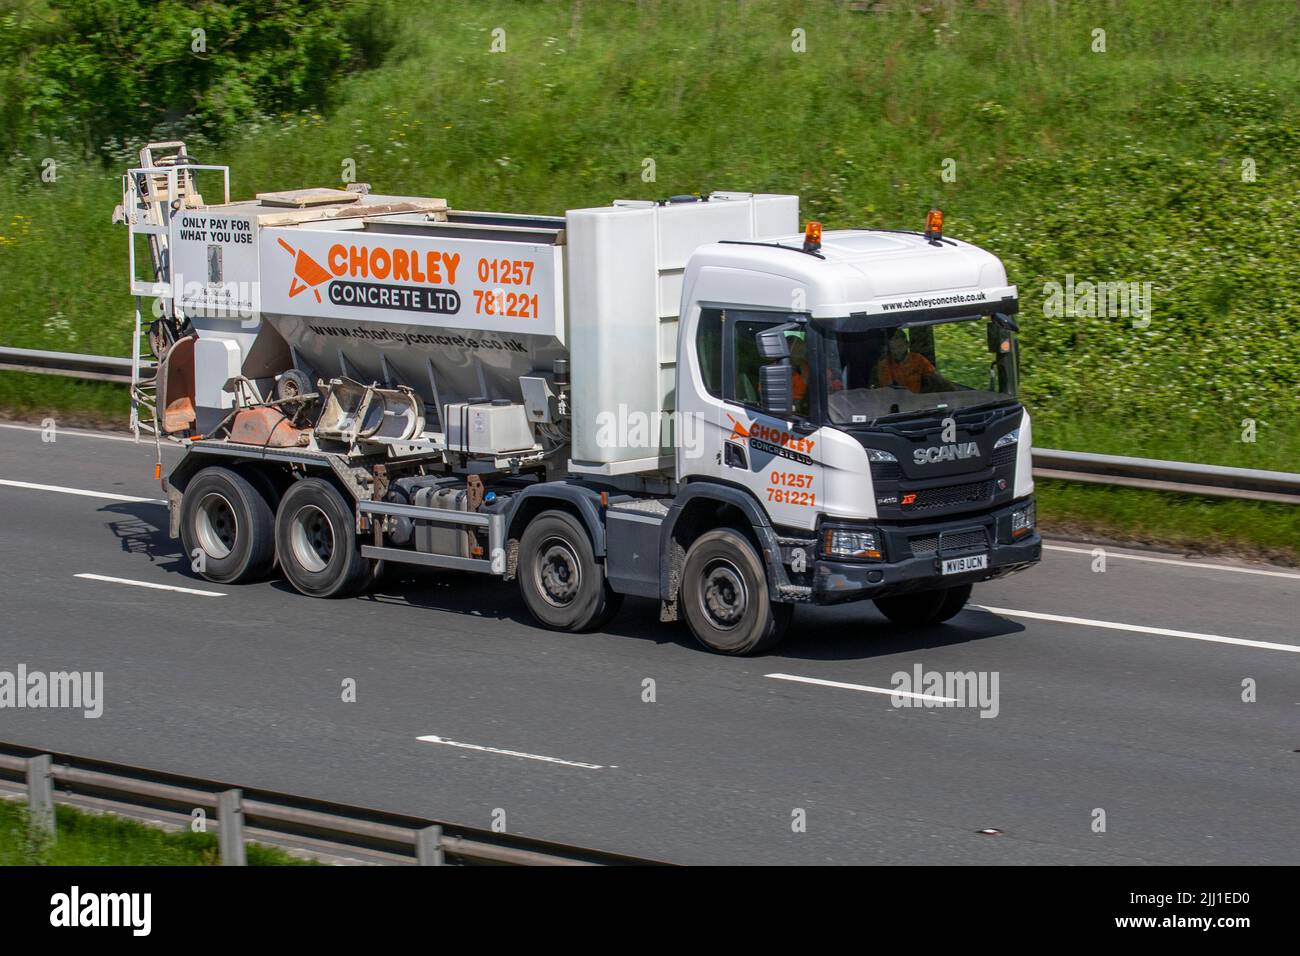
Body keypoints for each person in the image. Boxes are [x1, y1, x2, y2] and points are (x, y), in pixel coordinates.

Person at [874, 327, 955, 393]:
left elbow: (935, 377)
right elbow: (888, 390)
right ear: (889, 349)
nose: (897, 351)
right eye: (893, 348)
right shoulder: (884, 365)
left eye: (900, 346)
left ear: (907, 344)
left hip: (918, 402)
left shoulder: (918, 359)